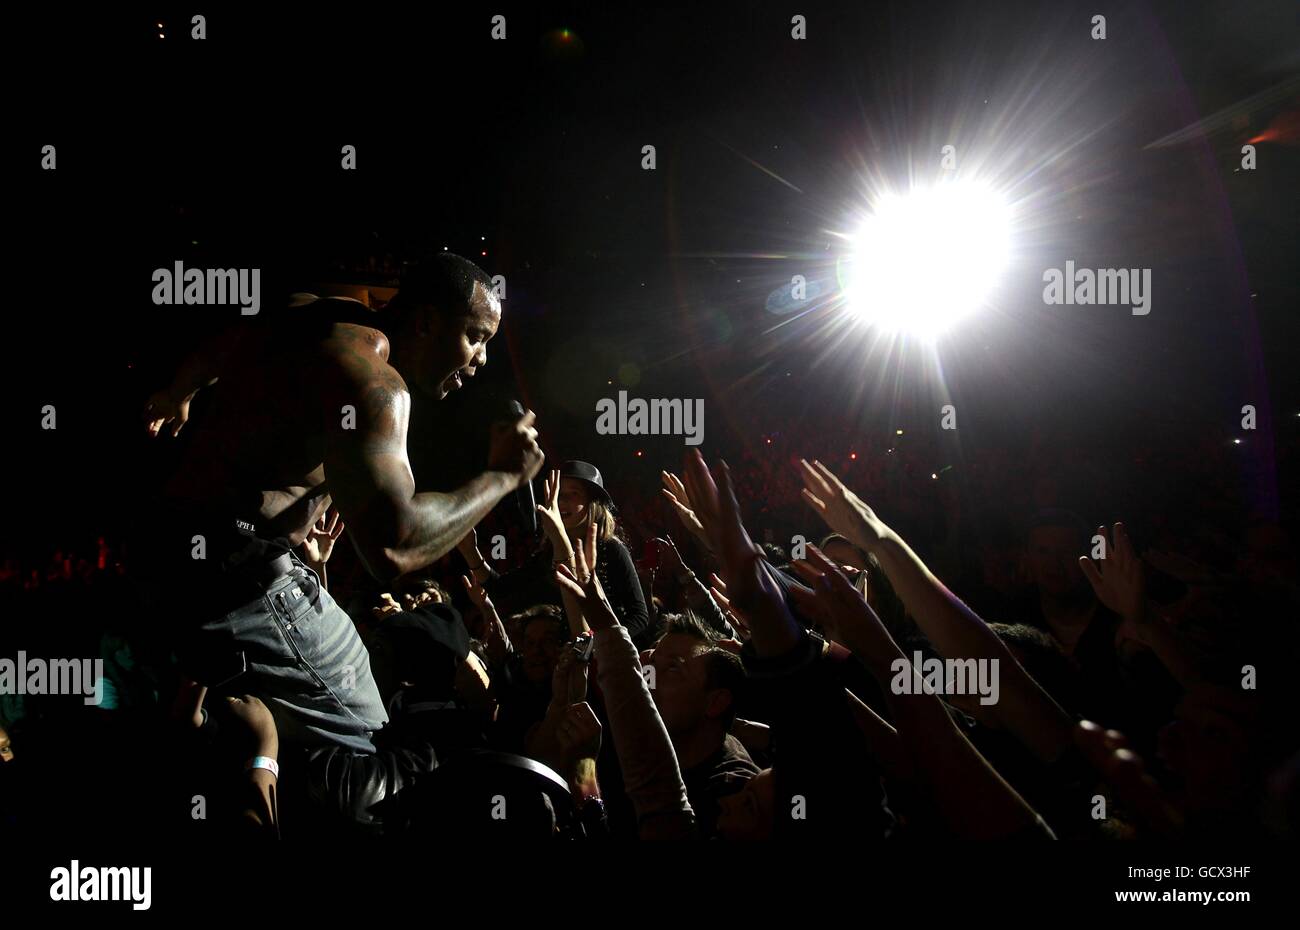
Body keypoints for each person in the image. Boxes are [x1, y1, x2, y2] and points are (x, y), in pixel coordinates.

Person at [136, 253, 545, 753]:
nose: (481, 359)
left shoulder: (312, 311)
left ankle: (210, 726)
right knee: (367, 723)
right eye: (476, 336)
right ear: (426, 321)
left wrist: (181, 390)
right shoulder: (375, 386)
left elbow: (225, 344)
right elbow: (393, 549)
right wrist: (502, 476)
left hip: (164, 540)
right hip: (236, 572)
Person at [460, 461, 650, 644]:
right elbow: (500, 588)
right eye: (559, 494)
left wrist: (602, 644)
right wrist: (471, 552)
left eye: (573, 494)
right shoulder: (548, 554)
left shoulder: (611, 549)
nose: (562, 501)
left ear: (593, 503)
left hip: (608, 663)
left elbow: (640, 615)